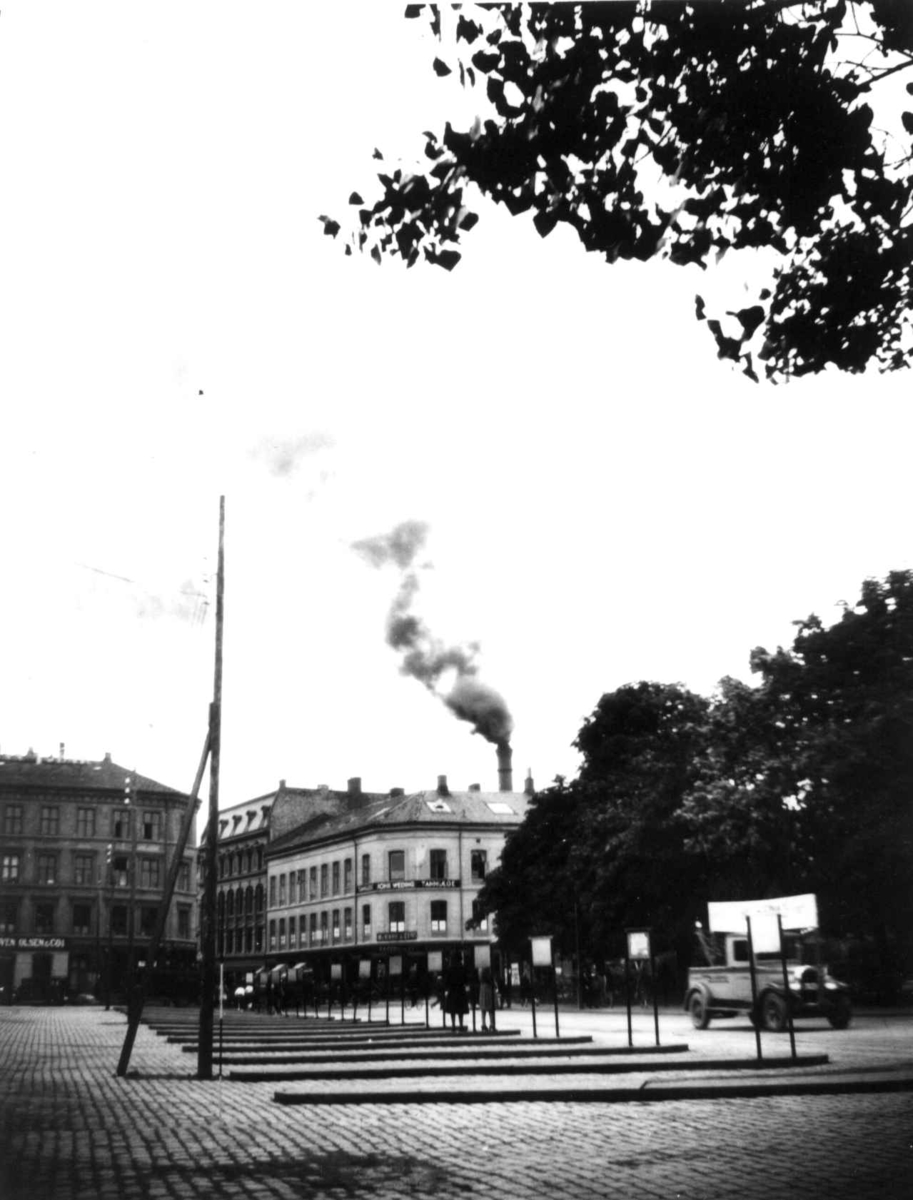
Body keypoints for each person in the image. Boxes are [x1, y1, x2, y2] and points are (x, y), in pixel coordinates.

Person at [444, 952, 468, 1031]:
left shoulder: (450, 969)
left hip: (452, 991)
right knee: (460, 1010)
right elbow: (465, 980)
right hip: (461, 991)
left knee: (452, 1010)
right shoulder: (463, 968)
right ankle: (461, 1025)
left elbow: (447, 981)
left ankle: (453, 1025)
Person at [479, 967, 494, 1032]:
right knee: (490, 1008)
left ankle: (483, 1024)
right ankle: (491, 1024)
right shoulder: (488, 972)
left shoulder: (480, 972)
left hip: (483, 990)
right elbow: (491, 981)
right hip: (488, 990)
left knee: (483, 1009)